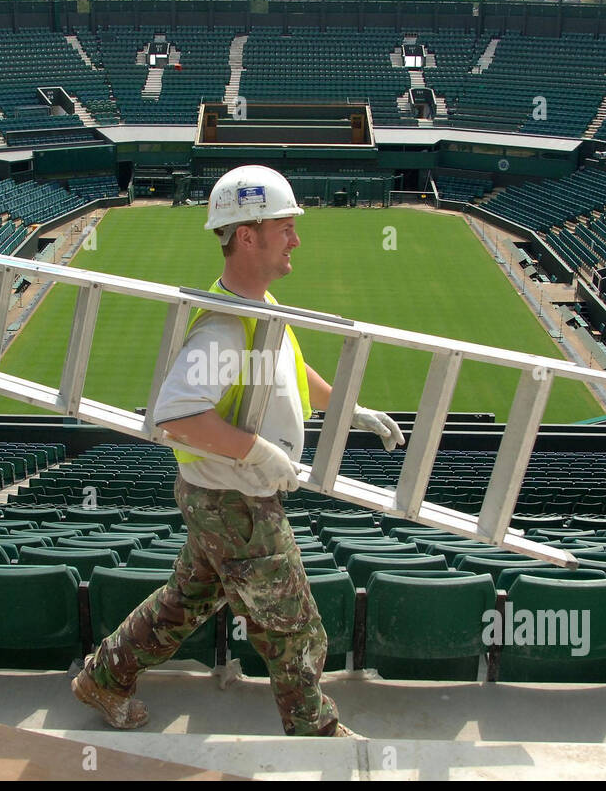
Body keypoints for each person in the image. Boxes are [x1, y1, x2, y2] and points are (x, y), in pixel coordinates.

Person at [72, 165, 405, 738]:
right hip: (237, 502)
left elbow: (288, 368)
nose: (296, 239)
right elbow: (175, 417)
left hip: (225, 496)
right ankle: (316, 735)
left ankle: (105, 677)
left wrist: (347, 409)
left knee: (187, 601)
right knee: (295, 629)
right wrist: (259, 453)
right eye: (285, 228)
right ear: (247, 236)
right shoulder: (225, 328)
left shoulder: (259, 308)